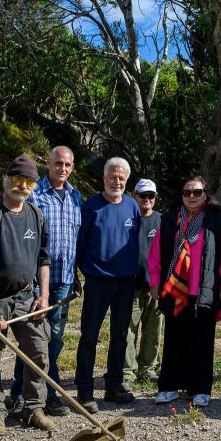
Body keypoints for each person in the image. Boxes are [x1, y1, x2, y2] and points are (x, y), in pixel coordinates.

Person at [0, 156, 54, 436]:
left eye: (29, 181)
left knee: (38, 350)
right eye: (18, 179)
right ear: (7, 179)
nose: (22, 185)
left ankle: (33, 408)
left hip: (27, 297)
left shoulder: (36, 214)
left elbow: (44, 259)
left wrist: (43, 295)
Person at [9, 145, 83, 417]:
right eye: (58, 163)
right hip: (38, 280)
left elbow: (74, 241)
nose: (62, 168)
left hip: (63, 278)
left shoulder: (76, 197)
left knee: (54, 339)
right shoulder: (35, 194)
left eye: (68, 165)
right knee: (30, 339)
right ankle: (20, 393)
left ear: (72, 168)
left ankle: (48, 395)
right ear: (48, 164)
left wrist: (75, 275)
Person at [148, 176, 221, 408]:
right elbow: (155, 253)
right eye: (187, 193)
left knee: (203, 342)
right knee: (174, 340)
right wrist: (154, 281)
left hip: (205, 290)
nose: (192, 197)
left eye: (197, 192)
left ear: (206, 194)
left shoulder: (217, 221)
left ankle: (201, 389)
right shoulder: (169, 220)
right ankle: (169, 387)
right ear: (181, 195)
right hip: (175, 289)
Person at [74, 157, 142, 413]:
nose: (117, 181)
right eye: (113, 176)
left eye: (122, 177)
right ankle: (85, 390)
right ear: (104, 178)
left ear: (127, 180)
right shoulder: (91, 206)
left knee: (120, 336)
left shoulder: (132, 207)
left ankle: (113, 385)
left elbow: (134, 241)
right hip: (98, 281)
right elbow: (80, 244)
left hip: (125, 282)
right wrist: (84, 273)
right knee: (89, 336)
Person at [124, 178, 164, 388]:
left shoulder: (162, 221)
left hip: (156, 286)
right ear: (134, 196)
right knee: (128, 329)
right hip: (131, 284)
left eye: (151, 196)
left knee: (153, 329)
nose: (147, 199)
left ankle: (148, 368)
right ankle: (128, 371)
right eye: (143, 195)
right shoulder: (127, 218)